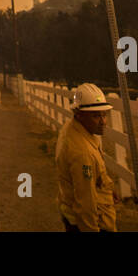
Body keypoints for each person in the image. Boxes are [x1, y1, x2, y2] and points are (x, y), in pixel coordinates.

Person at [56, 82, 117, 232]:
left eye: (104, 114)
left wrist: (105, 189)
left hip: (72, 214)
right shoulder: (82, 153)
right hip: (90, 223)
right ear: (79, 114)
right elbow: (85, 203)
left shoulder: (73, 129)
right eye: (96, 116)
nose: (103, 121)